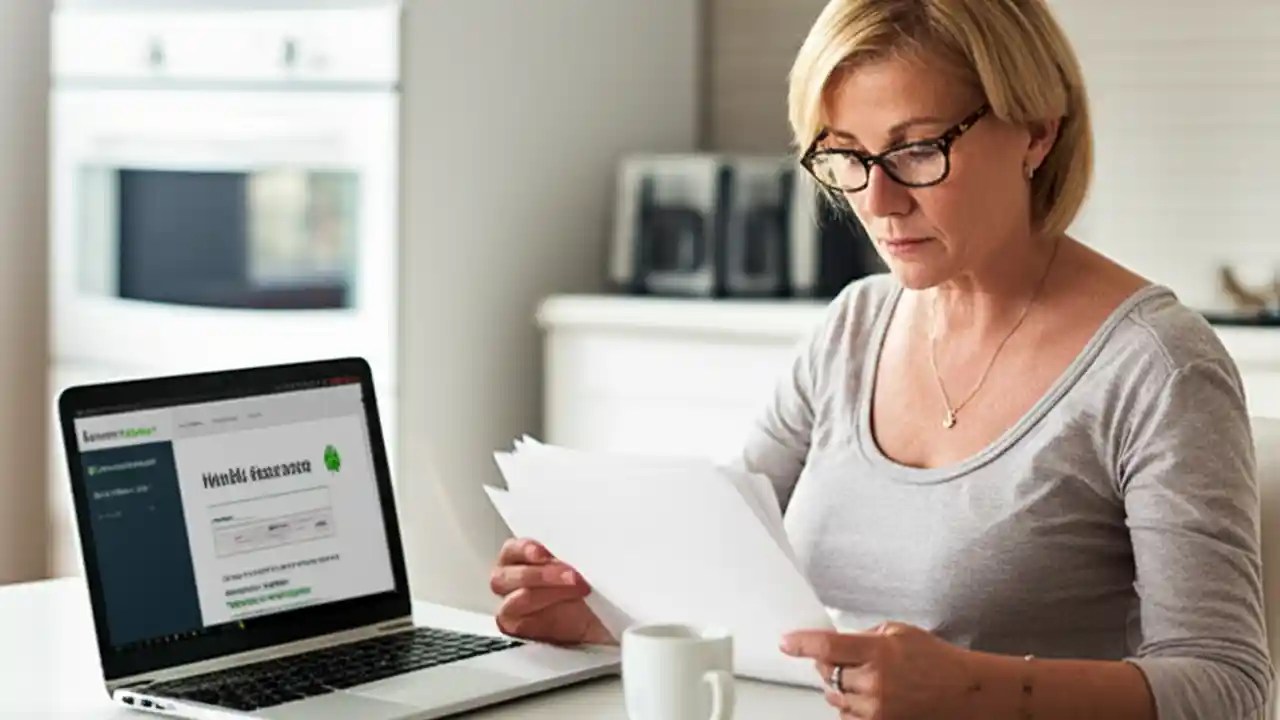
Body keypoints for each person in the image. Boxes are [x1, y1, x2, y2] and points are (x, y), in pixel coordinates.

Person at [489, 0, 1274, 717]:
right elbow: (727, 567)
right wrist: (607, 612)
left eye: (916, 151)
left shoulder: (1158, 366)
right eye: (845, 156)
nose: (877, 201)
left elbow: (1227, 684)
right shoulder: (853, 327)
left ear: (1037, 130)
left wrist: (970, 688)